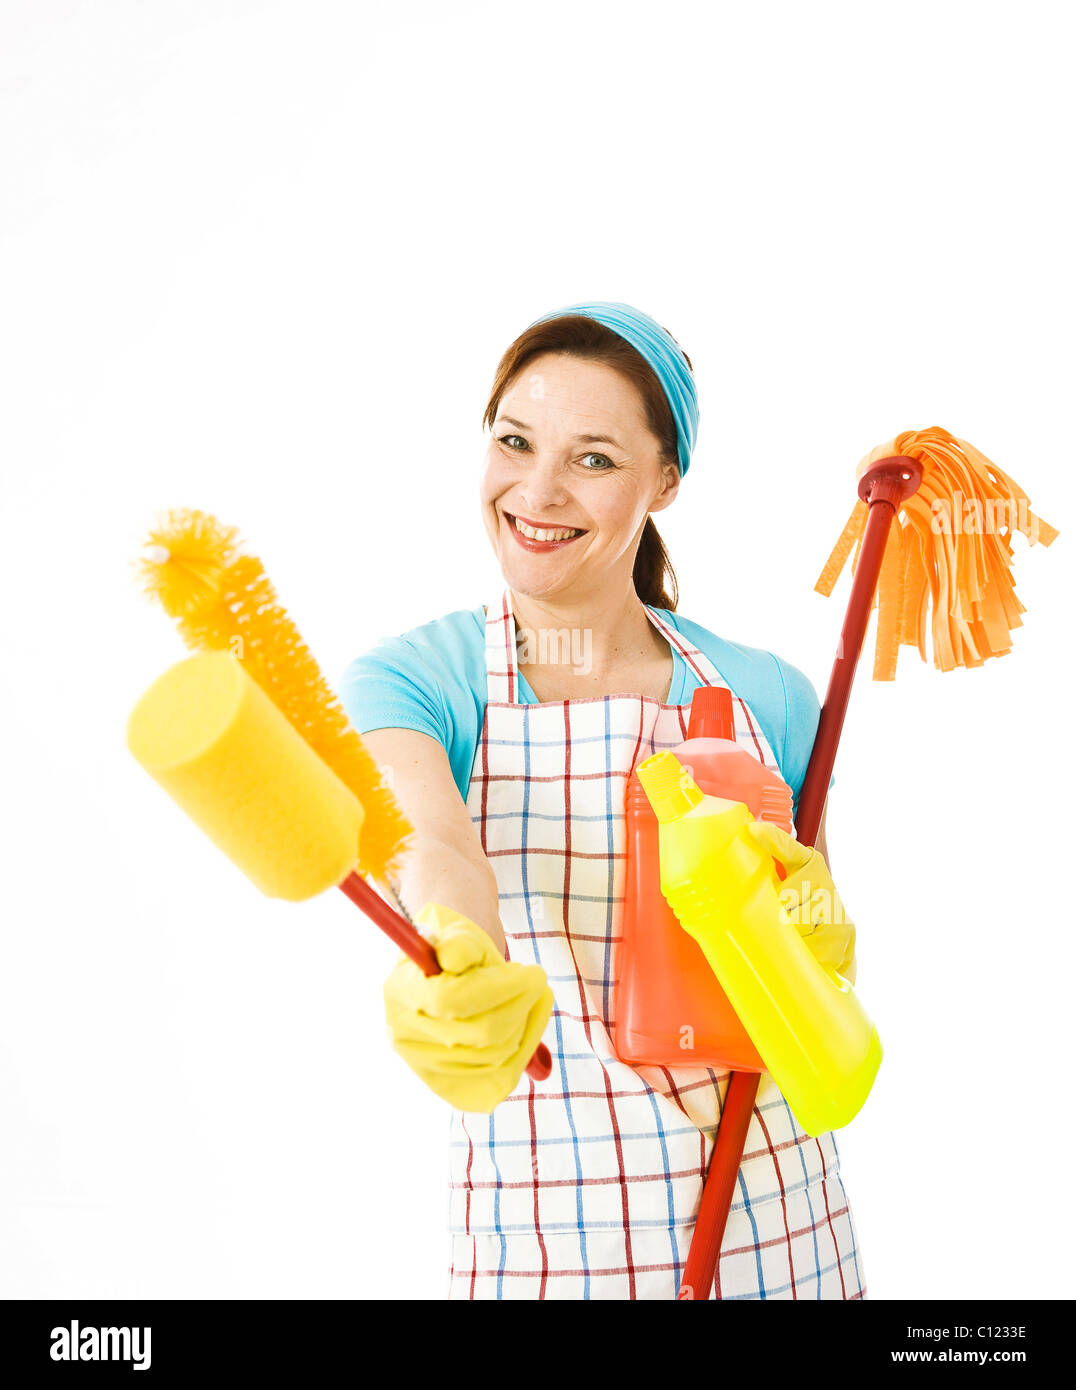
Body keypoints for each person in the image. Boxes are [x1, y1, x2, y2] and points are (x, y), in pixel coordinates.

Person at [339, 301, 864, 1300]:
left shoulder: (768, 693)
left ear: (664, 481)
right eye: (513, 441)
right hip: (550, 1240)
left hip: (782, 1226)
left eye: (592, 458)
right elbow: (436, 847)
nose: (536, 489)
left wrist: (813, 926)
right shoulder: (419, 677)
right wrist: (455, 955)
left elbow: (824, 959)